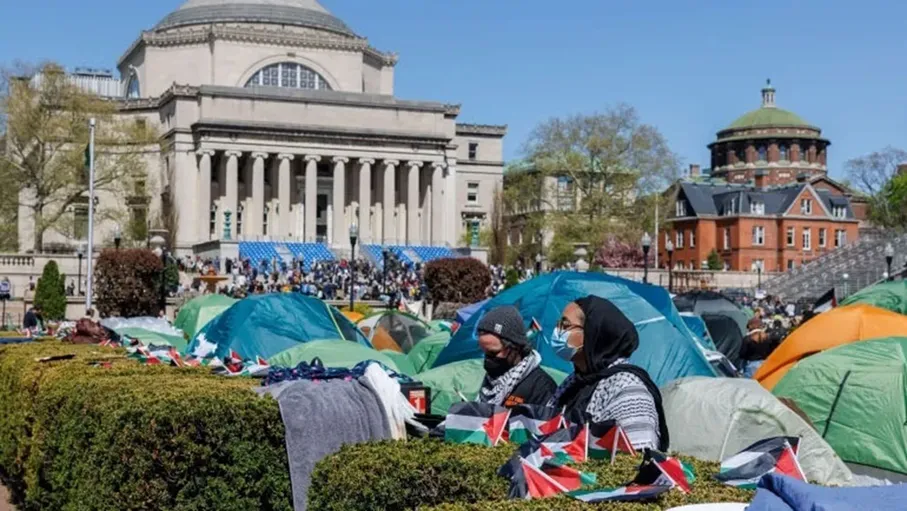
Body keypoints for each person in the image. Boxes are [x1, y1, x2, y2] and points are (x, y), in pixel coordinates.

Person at [548, 295, 669, 451]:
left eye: (565, 326)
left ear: (593, 333)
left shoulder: (629, 391)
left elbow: (633, 460)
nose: (557, 332)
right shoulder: (574, 382)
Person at [476, 305, 557, 408]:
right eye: (485, 352)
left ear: (515, 348)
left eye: (493, 353)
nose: (487, 358)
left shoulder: (542, 388)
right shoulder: (490, 381)